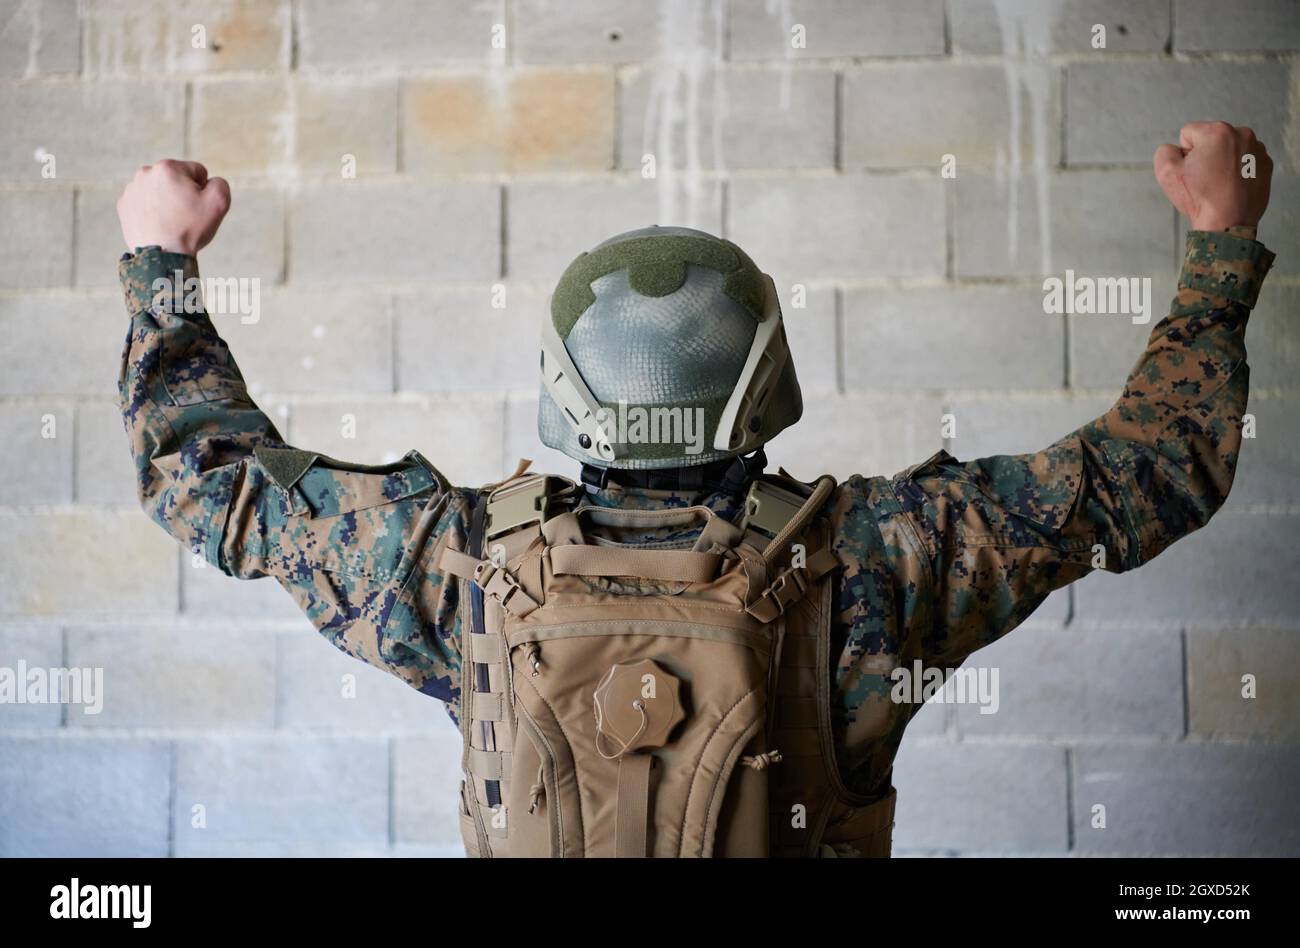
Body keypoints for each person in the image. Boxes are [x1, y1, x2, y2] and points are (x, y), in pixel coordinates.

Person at [114, 121, 1275, 857]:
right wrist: (1221, 244)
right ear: (770, 382)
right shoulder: (885, 556)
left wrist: (163, 264)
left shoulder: (451, 564)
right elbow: (1150, 470)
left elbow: (207, 480)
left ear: (563, 392)